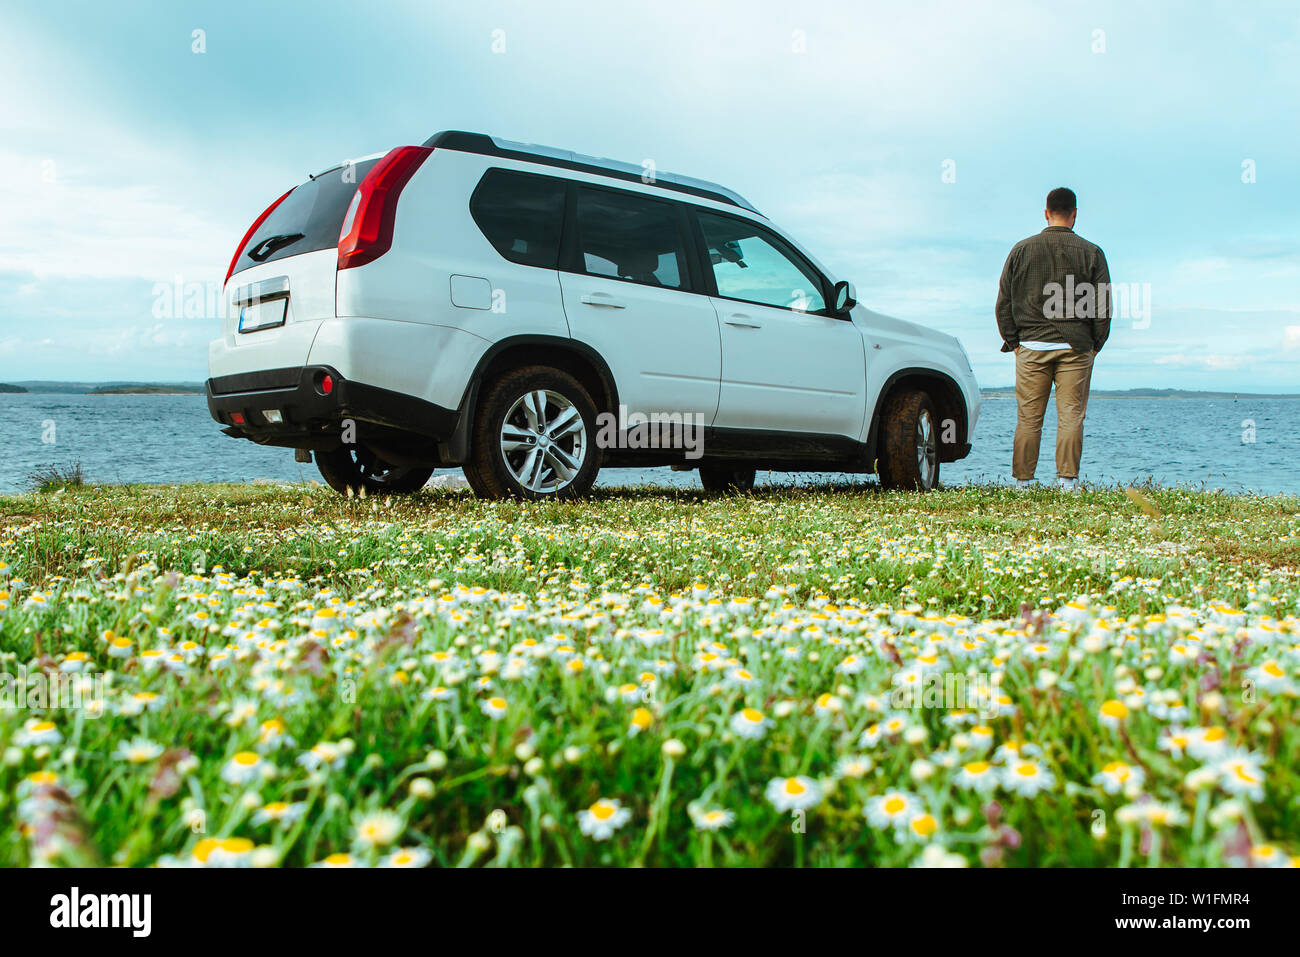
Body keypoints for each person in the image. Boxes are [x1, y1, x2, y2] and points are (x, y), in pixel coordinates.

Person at [995, 187, 1111, 491]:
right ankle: (1067, 481)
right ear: (1074, 214)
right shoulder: (1093, 252)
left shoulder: (1021, 249)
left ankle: (1023, 482)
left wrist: (1014, 341)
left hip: (1031, 344)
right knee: (1071, 415)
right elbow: (1102, 306)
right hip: (1077, 346)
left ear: (1046, 213)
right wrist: (1096, 343)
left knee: (1029, 418)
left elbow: (1004, 302)